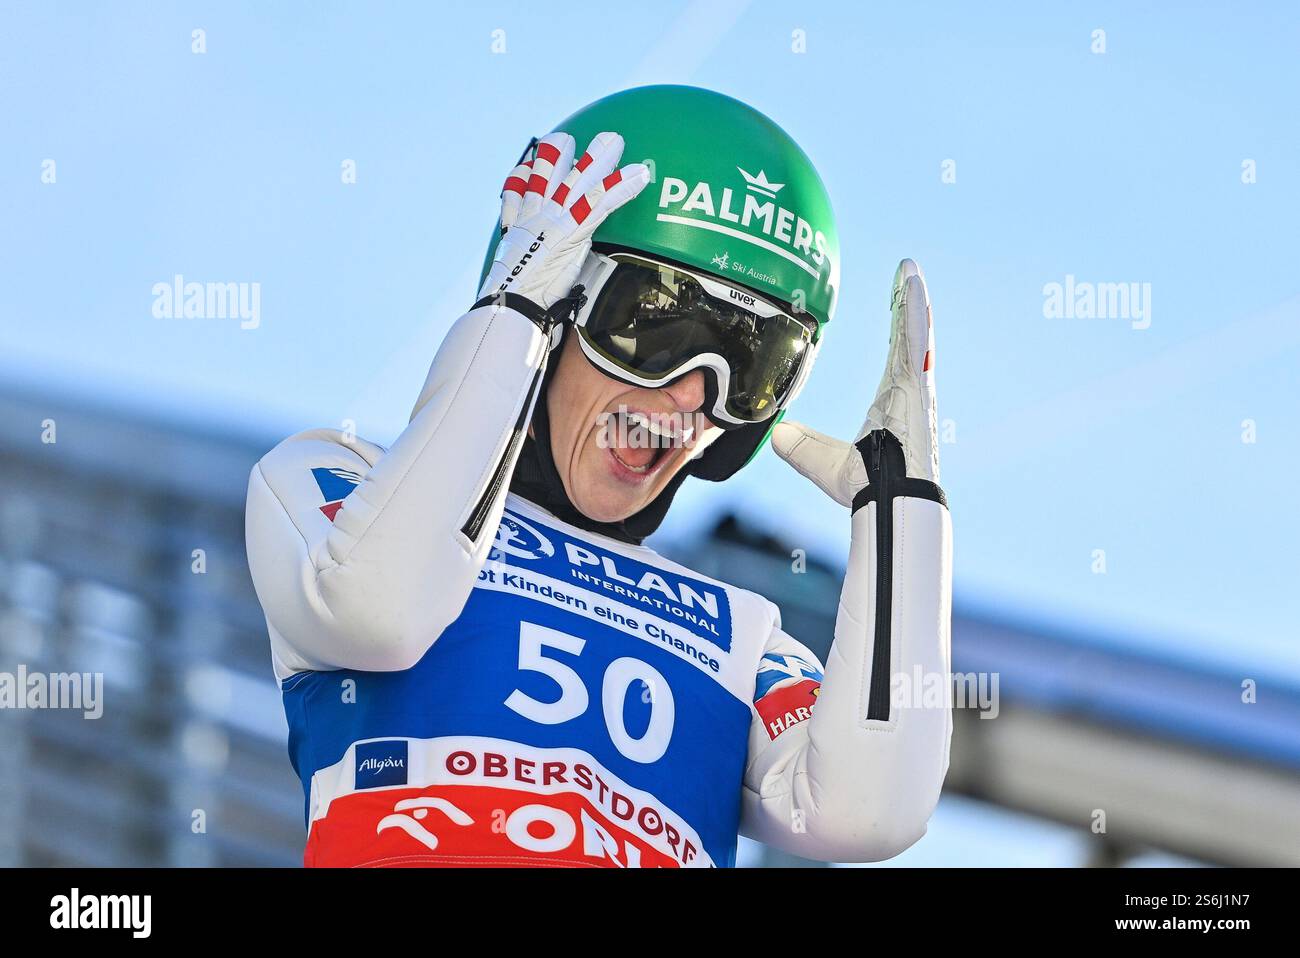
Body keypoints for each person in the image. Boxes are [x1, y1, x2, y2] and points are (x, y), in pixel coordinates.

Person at [245, 85, 952, 868]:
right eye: (653, 327)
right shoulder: (332, 482)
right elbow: (374, 609)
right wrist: (510, 314)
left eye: (748, 365)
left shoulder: (740, 633)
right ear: (558, 302)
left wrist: (902, 512)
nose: (692, 392)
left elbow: (865, 813)